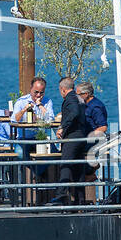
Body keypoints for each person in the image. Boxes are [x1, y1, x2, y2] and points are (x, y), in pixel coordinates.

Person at [53, 77, 91, 206]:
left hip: (72, 137)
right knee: (78, 168)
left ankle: (61, 194)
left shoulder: (70, 99)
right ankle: (80, 199)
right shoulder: (79, 99)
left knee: (65, 164)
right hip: (81, 136)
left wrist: (62, 127)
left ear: (63, 89)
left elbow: (74, 113)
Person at [11, 78, 54, 144]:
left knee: (55, 152)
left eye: (41, 93)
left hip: (41, 138)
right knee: (20, 153)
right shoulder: (21, 101)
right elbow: (14, 120)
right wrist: (24, 110)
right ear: (31, 89)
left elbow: (50, 120)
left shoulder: (47, 101)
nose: (38, 95)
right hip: (24, 138)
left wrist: (40, 105)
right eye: (36, 92)